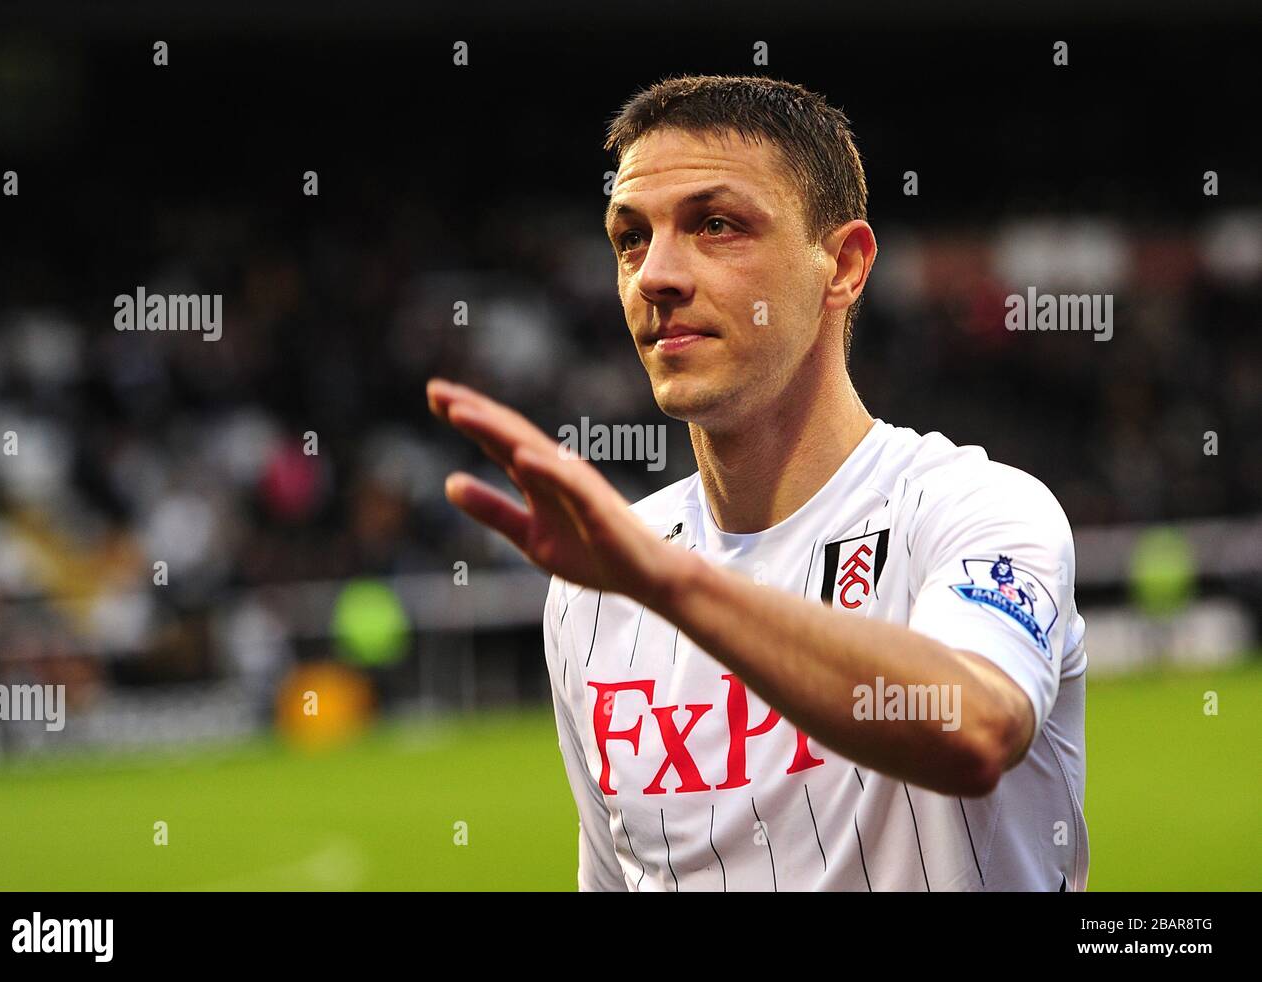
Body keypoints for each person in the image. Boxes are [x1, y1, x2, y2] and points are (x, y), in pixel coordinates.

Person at [427, 74, 1088, 891]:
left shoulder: (974, 511)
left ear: (843, 265)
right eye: (630, 237)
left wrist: (670, 585)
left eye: (716, 225)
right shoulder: (593, 589)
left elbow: (975, 728)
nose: (654, 276)